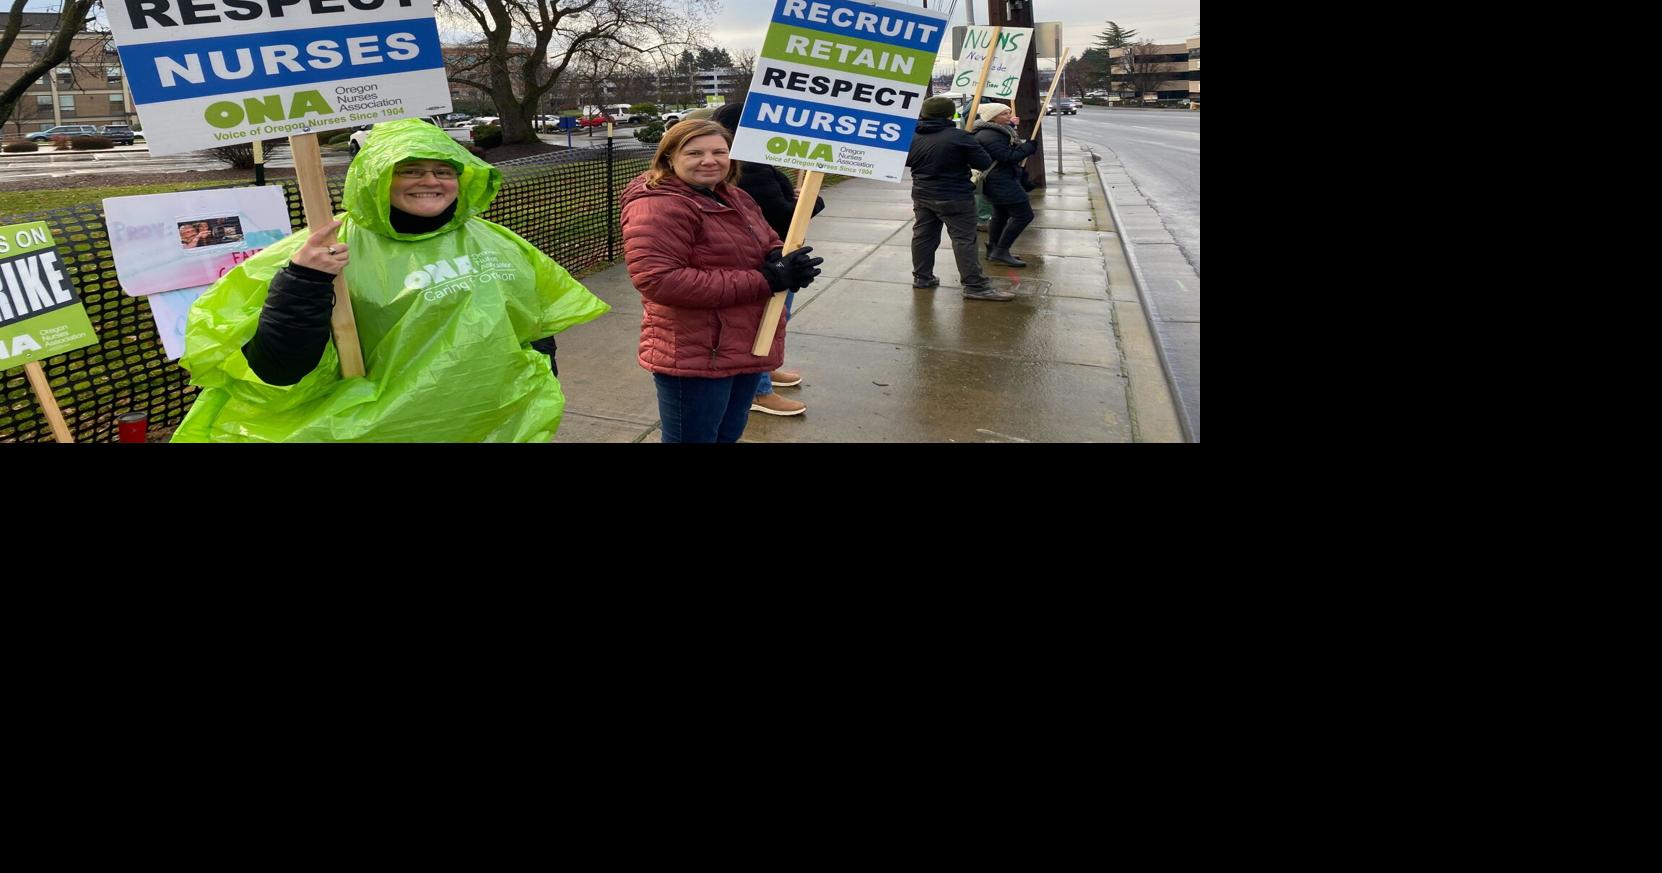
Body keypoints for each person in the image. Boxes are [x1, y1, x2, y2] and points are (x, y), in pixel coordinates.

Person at [172, 118, 609, 442]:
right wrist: (303, 281)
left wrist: (538, 380)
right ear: (375, 177)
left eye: (444, 170)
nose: (430, 181)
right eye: (410, 169)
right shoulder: (322, 250)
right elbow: (279, 369)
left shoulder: (496, 241)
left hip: (490, 424)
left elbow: (534, 324)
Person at [620, 119, 823, 443]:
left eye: (719, 151)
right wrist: (765, 279)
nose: (709, 160)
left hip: (744, 343)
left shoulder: (734, 196)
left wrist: (781, 259)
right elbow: (660, 280)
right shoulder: (657, 205)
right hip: (697, 351)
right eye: (694, 153)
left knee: (728, 434)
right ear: (669, 157)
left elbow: (766, 238)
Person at [711, 100, 824, 415]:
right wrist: (812, 202)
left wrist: (793, 198)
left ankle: (765, 372)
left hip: (766, 257)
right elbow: (782, 218)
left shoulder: (746, 163)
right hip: (767, 261)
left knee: (772, 322)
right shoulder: (749, 169)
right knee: (765, 322)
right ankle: (758, 391)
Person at [905, 96, 1012, 302]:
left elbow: (908, 161)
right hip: (955, 196)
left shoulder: (911, 136)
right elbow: (983, 162)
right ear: (949, 114)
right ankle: (975, 286)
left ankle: (922, 277)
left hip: (922, 194)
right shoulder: (960, 137)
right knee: (964, 240)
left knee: (923, 236)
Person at [972, 102, 1040, 268]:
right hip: (1000, 181)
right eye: (1004, 114)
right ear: (992, 118)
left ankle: (993, 248)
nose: (1009, 115)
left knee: (1001, 214)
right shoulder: (990, 135)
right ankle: (1001, 251)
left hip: (999, 179)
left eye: (1009, 112)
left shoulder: (997, 131)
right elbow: (1007, 157)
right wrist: (1028, 148)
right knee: (1024, 215)